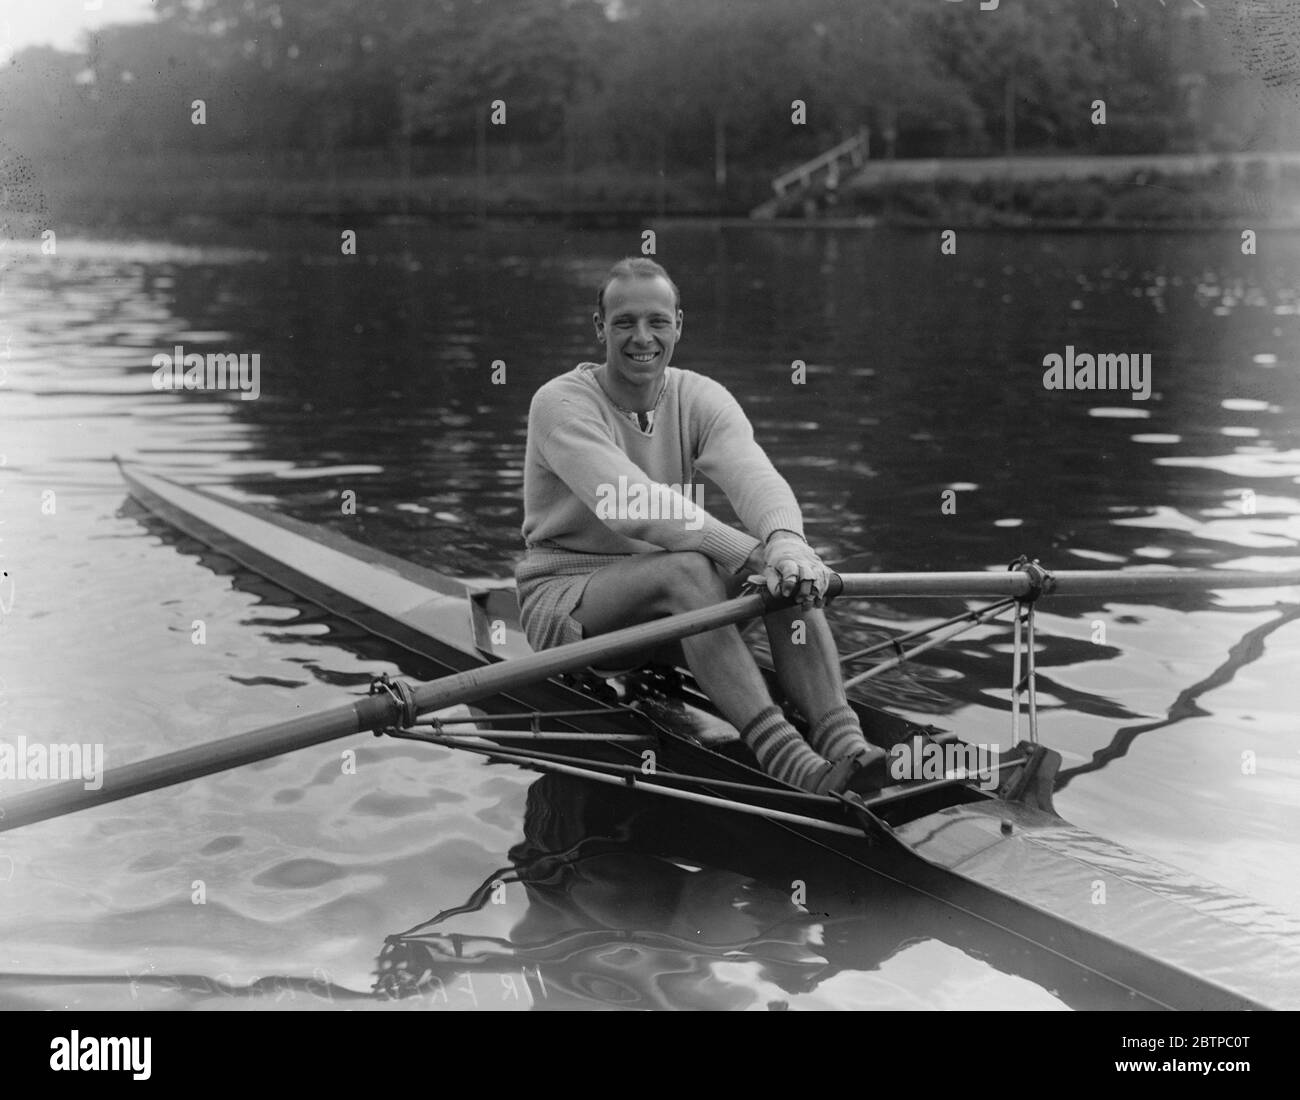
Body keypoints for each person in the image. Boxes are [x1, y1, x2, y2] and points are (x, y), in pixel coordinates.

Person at [515, 257, 885, 795]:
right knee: (697, 566)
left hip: (669, 602)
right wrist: (749, 553)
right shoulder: (559, 403)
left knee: (784, 572)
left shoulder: (701, 397)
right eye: (624, 322)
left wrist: (785, 545)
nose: (642, 337)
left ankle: (843, 740)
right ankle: (788, 762)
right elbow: (630, 503)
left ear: (679, 325)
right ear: (599, 328)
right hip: (569, 602)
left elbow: (754, 474)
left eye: (657, 322)